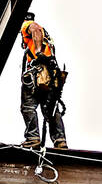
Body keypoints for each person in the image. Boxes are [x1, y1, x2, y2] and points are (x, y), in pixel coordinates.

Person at [19, 12, 67, 149]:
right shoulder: (47, 36)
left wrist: (39, 53)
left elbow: (34, 28)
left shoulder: (27, 25)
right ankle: (60, 140)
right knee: (50, 108)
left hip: (38, 74)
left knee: (28, 106)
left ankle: (32, 137)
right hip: (49, 76)